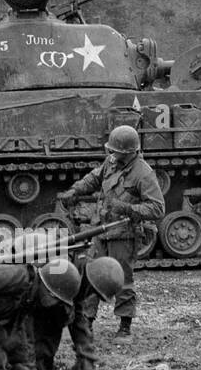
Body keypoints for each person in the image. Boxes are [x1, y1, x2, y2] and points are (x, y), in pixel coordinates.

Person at [60, 125, 165, 341]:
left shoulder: (144, 173)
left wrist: (127, 208)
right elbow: (94, 178)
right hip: (102, 230)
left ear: (128, 152)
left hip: (124, 234)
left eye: (115, 150)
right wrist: (76, 190)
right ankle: (86, 322)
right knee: (91, 275)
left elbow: (157, 208)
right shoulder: (111, 162)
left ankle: (124, 326)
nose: (111, 153)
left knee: (122, 280)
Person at [22, 255, 125, 370]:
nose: (92, 296)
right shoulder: (68, 268)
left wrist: (85, 350)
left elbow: (77, 310)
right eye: (94, 292)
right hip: (33, 305)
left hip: (52, 309)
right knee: (34, 348)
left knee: (48, 347)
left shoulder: (84, 276)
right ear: (92, 282)